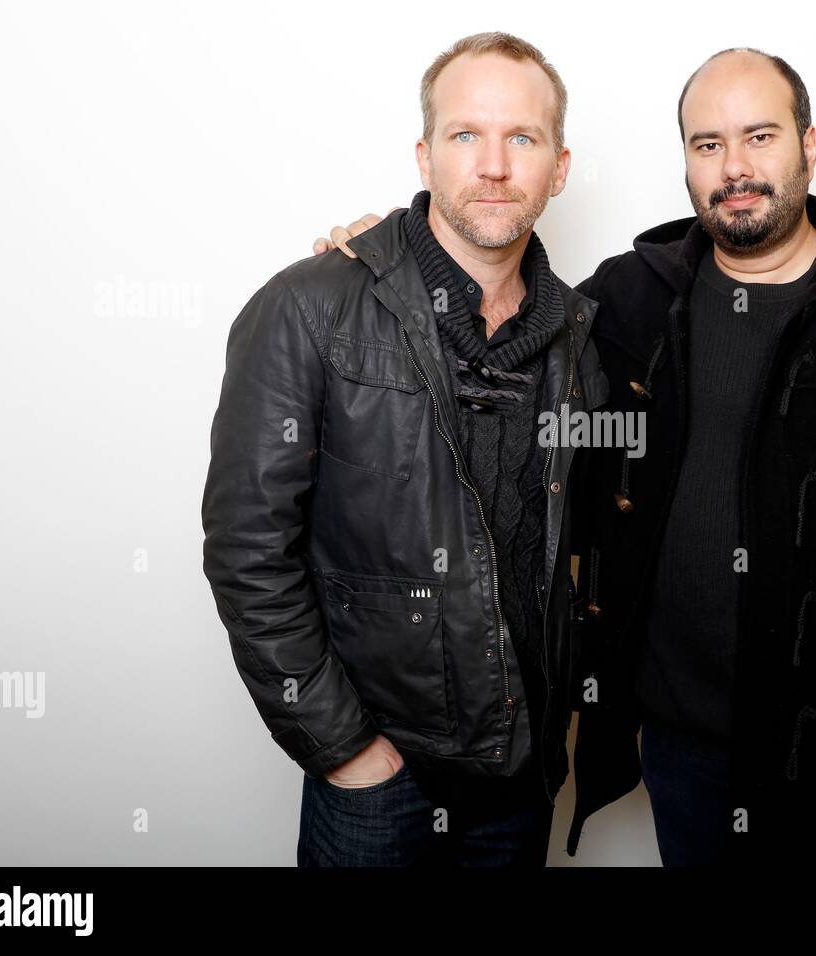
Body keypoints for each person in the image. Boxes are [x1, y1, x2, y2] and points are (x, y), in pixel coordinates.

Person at [314, 47, 816, 866]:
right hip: (678, 747)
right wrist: (393, 261)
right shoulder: (625, 297)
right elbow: (491, 355)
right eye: (707, 144)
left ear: (808, 143)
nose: (735, 167)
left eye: (760, 136)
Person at [201, 32, 607, 867]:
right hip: (379, 790)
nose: (493, 165)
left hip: (520, 775)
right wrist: (346, 751)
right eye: (466, 135)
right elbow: (248, 550)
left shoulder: (579, 333)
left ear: (558, 167)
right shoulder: (309, 309)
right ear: (424, 156)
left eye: (521, 138)